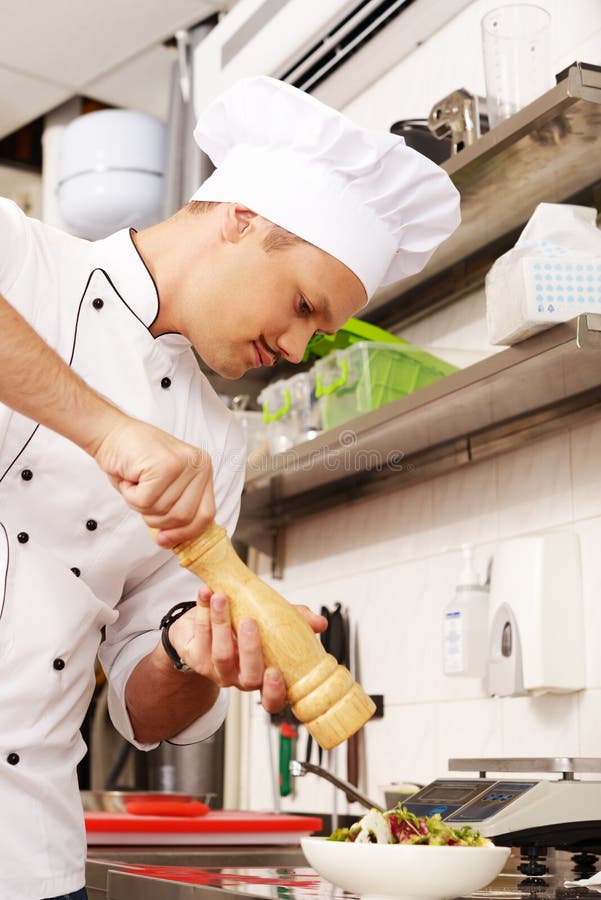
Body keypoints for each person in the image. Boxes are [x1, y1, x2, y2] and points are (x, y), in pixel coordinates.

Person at [0, 75, 460, 900]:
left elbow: (145, 714)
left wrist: (188, 653)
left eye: (316, 334)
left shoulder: (214, 441)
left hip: (26, 856)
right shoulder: (23, 257)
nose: (293, 347)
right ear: (242, 217)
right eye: (302, 305)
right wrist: (109, 430)